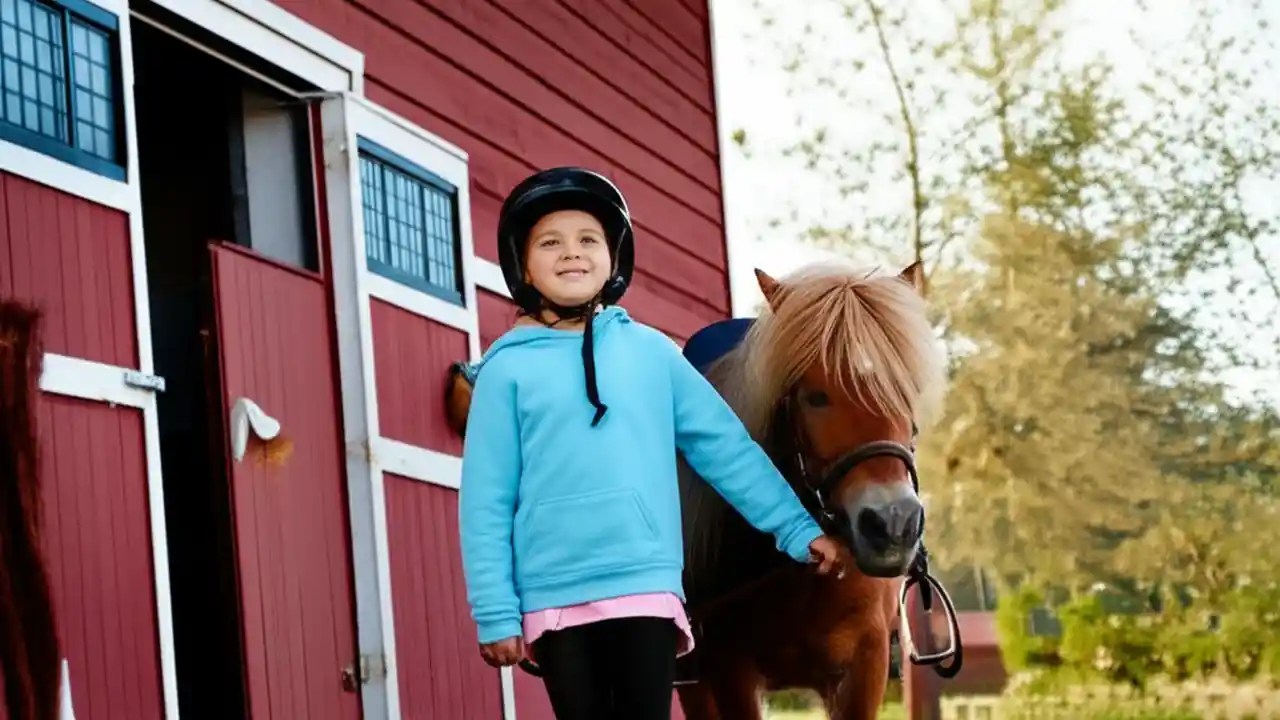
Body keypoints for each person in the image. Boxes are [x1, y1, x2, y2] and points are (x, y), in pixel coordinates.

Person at [458, 167, 843, 720]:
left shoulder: (652, 353)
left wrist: (794, 527)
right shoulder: (505, 372)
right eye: (550, 242)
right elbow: (485, 499)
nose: (572, 253)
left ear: (614, 258)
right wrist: (495, 611)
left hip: (644, 582)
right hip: (554, 593)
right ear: (522, 265)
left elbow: (725, 449)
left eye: (588, 240)